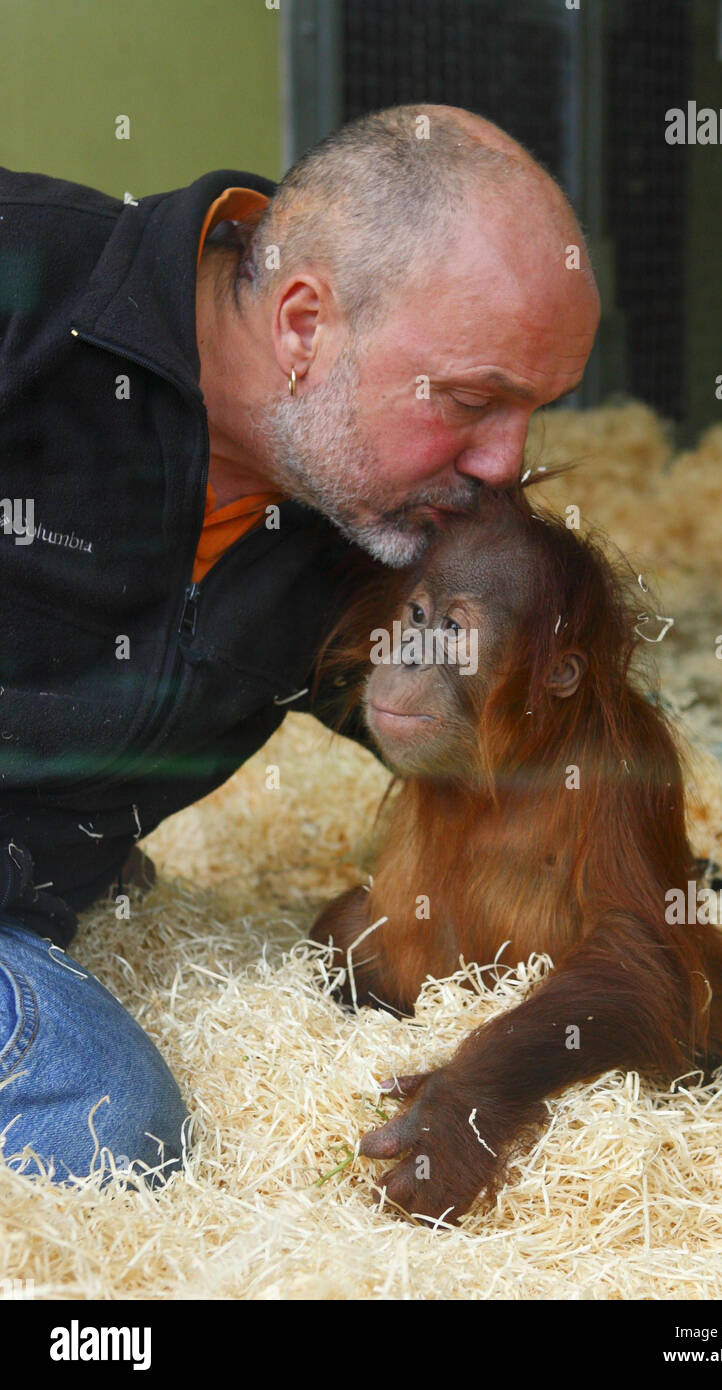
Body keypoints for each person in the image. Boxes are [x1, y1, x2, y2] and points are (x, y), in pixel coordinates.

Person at [0, 104, 600, 1186]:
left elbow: (520, 744)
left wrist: (670, 860)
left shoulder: (368, 535)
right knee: (89, 1110)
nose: (503, 463)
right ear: (303, 323)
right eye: (472, 400)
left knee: (109, 1134)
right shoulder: (26, 279)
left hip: (29, 905)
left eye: (533, 411)